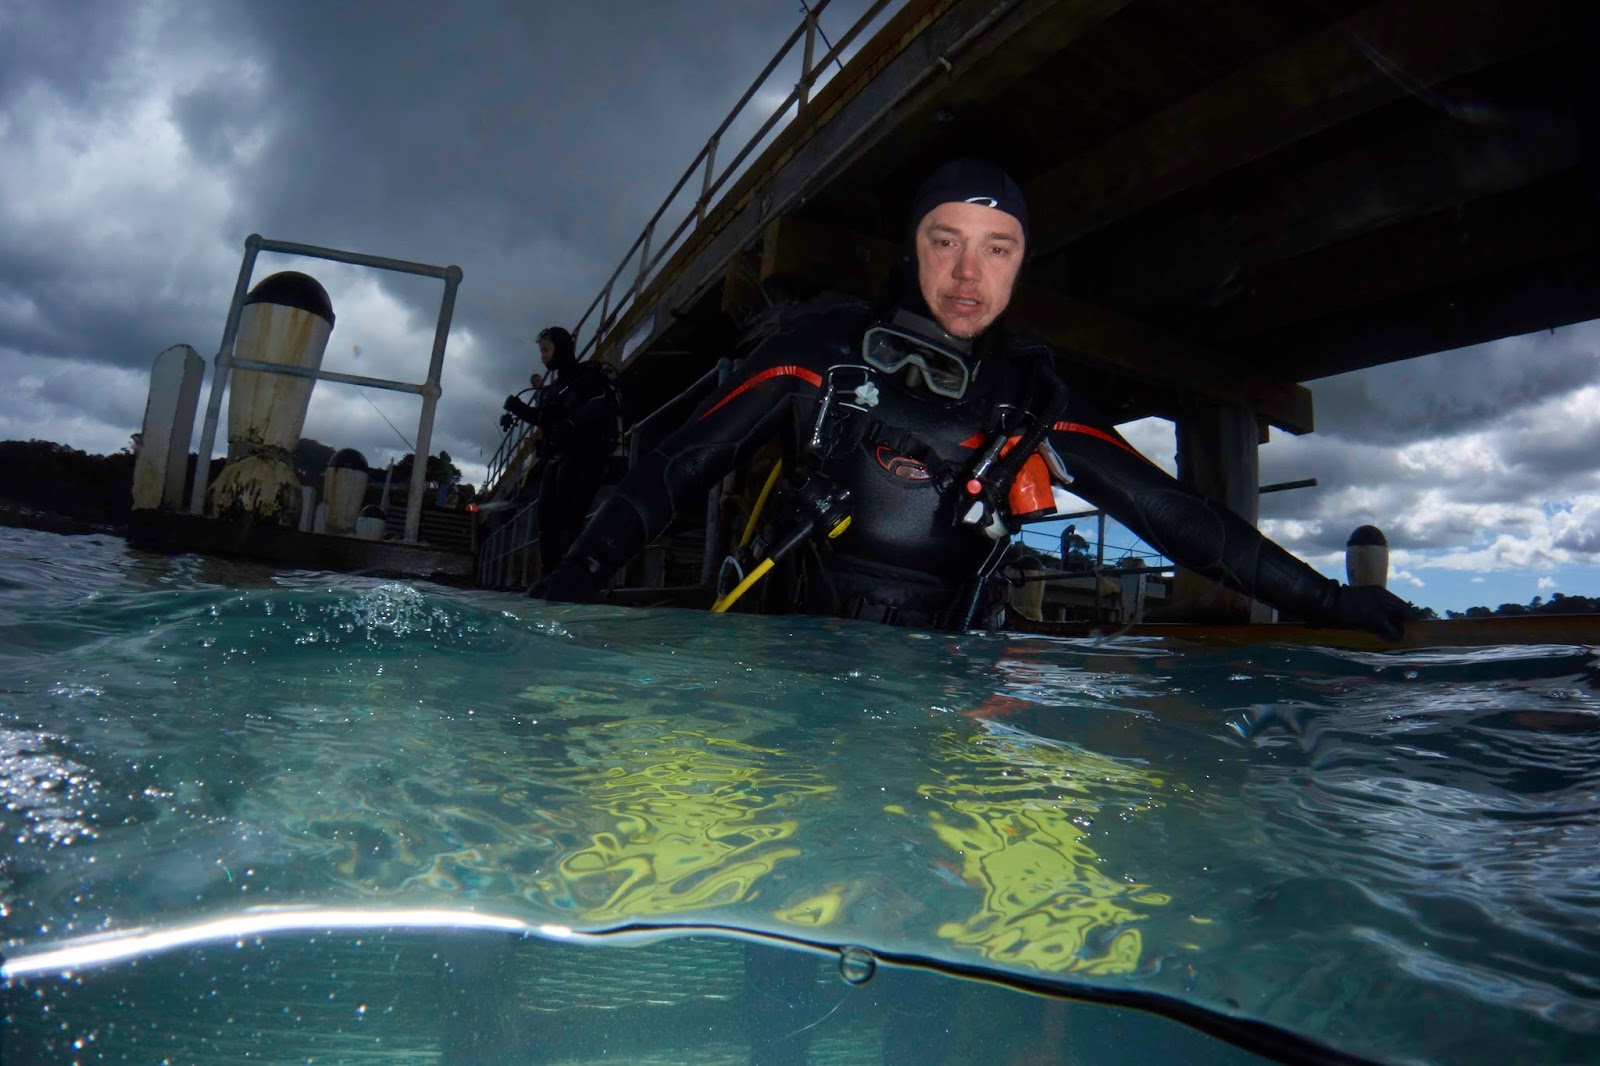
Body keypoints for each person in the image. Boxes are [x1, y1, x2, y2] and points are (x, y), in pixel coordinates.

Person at [530, 158, 1412, 639]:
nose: (966, 272)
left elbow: (1177, 515)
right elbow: (676, 467)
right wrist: (571, 582)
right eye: (945, 239)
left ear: (1022, 263)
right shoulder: (819, 358)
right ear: (912, 247)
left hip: (945, 682)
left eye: (997, 247)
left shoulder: (1029, 404)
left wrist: (1331, 604)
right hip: (787, 663)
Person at [502, 325, 621, 572]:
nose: (542, 356)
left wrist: (530, 413)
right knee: (546, 522)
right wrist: (517, 410)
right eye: (541, 351)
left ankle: (569, 578)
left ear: (562, 349)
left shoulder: (587, 378)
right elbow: (547, 418)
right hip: (558, 458)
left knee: (569, 522)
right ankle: (550, 579)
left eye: (546, 350)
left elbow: (585, 418)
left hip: (584, 459)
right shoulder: (555, 388)